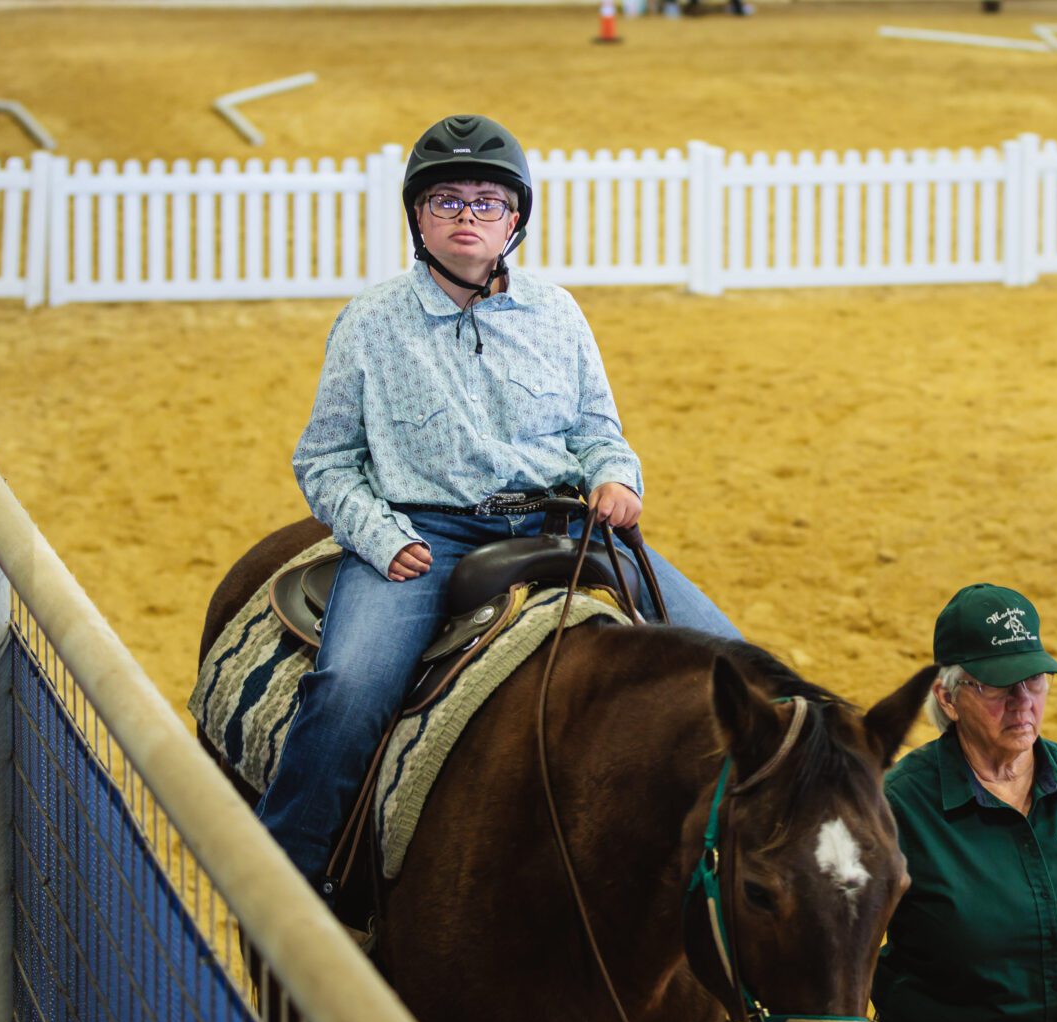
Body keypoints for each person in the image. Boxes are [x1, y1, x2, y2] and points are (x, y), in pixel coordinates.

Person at [258, 113, 741, 899]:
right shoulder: (370, 323)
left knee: (736, 660)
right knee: (348, 689)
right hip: (426, 536)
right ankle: (281, 884)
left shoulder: (559, 314)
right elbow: (325, 460)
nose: (467, 217)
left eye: (486, 202)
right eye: (446, 201)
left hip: (560, 522)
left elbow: (598, 433)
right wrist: (380, 538)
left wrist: (618, 480)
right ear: (416, 216)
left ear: (515, 218)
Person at [872, 583, 1057, 1022]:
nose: (1023, 702)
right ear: (948, 698)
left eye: (1034, 679)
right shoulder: (899, 808)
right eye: (998, 686)